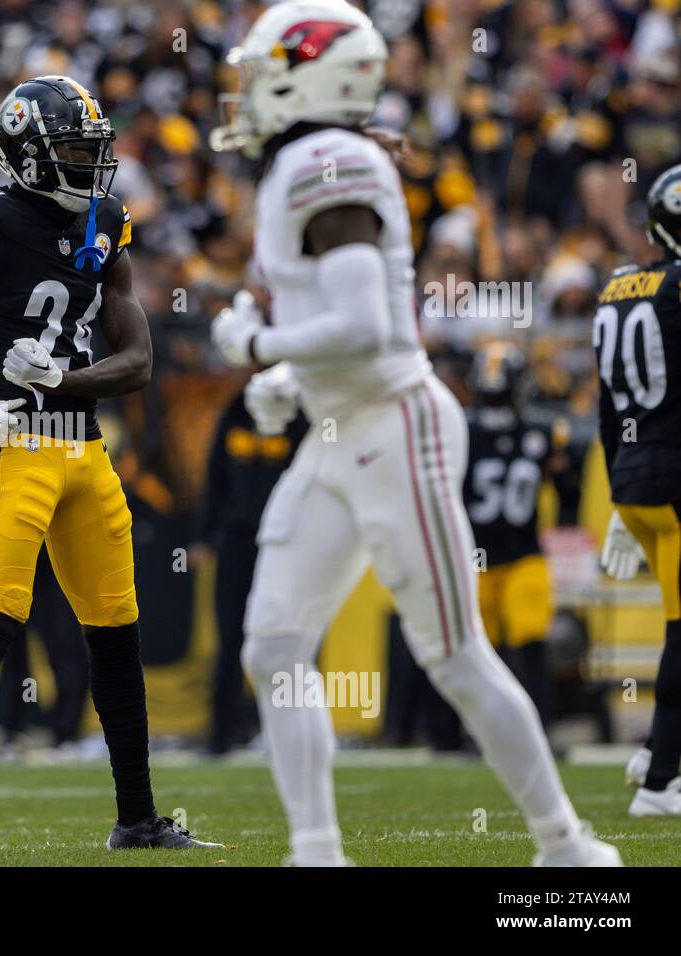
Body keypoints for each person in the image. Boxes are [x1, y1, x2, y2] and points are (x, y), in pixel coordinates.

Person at [208, 1, 617, 865]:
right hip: (338, 425)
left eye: (260, 71)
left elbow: (364, 325)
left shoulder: (325, 159)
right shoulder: (313, 158)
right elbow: (351, 317)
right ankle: (314, 852)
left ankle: (566, 846)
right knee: (274, 642)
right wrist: (288, 376)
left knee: (456, 655)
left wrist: (256, 346)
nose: (244, 91)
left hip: (393, 423)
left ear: (306, 71)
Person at [0, 75, 218, 854]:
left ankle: (136, 819)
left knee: (116, 632)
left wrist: (64, 379)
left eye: (95, 150)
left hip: (86, 451)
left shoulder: (106, 223)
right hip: (14, 448)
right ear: (26, 156)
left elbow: (139, 361)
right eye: (75, 151)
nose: (92, 166)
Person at [594, 161, 681, 816]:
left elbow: (607, 409)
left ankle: (657, 751)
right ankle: (659, 784)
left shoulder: (620, 286)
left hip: (633, 478)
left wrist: (619, 498)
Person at [193, 383, 306, 755]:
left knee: (287, 639)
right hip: (237, 542)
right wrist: (206, 535)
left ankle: (286, 733)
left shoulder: (300, 418)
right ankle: (222, 733)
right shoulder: (236, 411)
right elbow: (215, 478)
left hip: (283, 544)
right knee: (231, 640)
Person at [462, 342, 566, 723]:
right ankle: (533, 730)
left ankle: (485, 733)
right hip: (508, 555)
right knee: (523, 649)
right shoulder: (539, 430)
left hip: (489, 556)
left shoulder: (465, 432)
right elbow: (568, 492)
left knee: (496, 652)